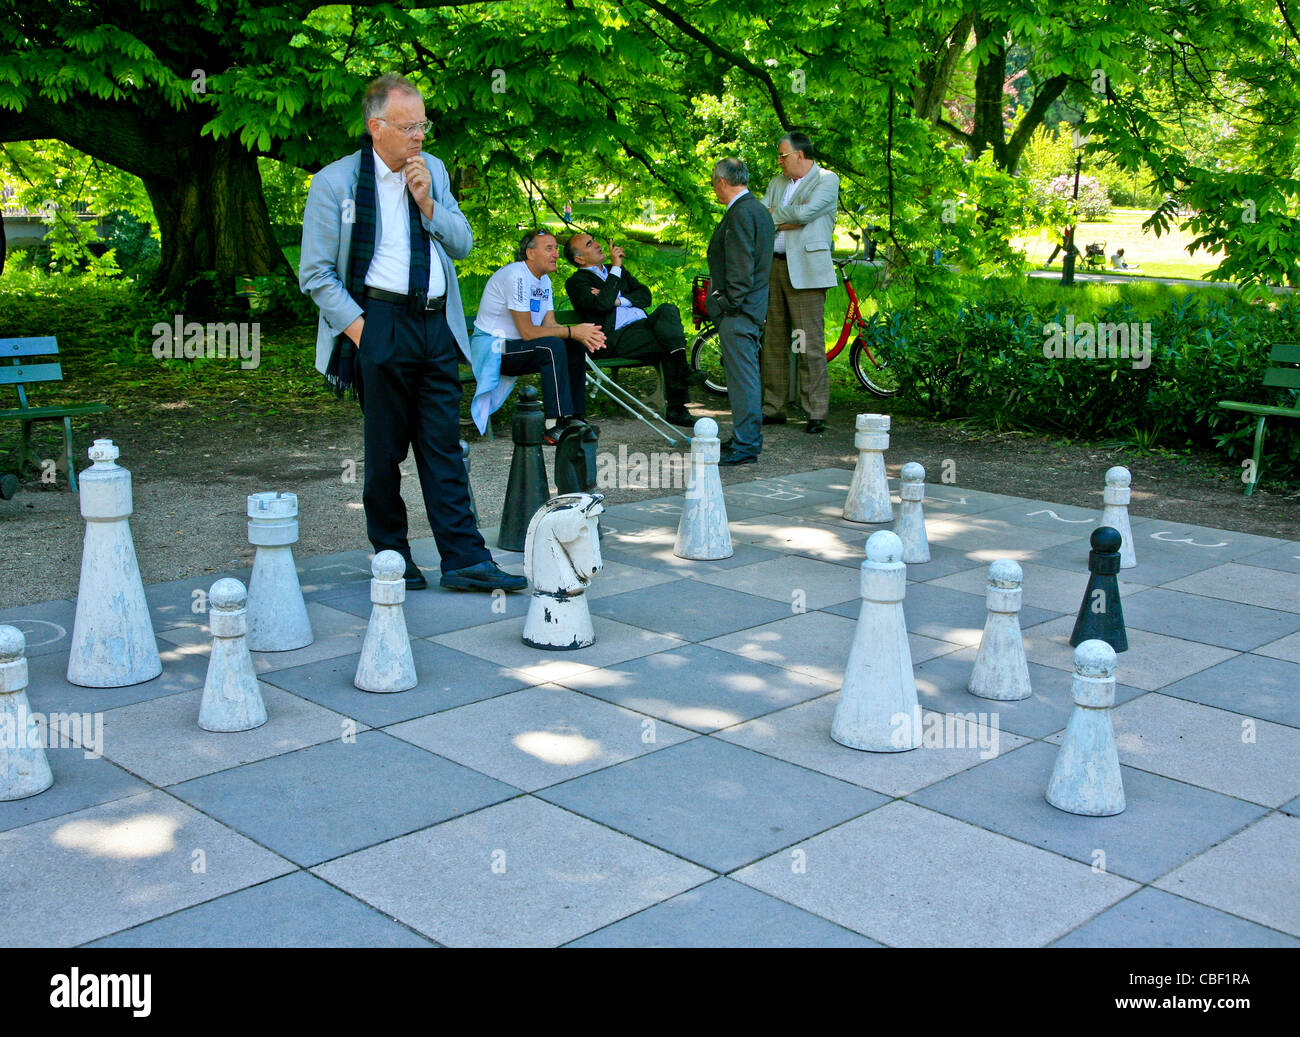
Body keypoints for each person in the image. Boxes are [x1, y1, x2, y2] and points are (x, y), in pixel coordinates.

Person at [299, 73, 525, 593]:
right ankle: (393, 557)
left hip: (436, 324)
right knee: (384, 453)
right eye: (409, 127)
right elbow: (316, 274)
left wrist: (429, 204)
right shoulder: (334, 184)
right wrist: (362, 332)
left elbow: (463, 243)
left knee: (444, 446)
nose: (420, 136)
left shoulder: (434, 172)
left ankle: (465, 559)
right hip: (378, 324)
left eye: (423, 124)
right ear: (376, 127)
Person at [469, 229, 605, 443]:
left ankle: (574, 418)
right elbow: (528, 331)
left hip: (520, 345)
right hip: (494, 348)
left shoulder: (545, 282)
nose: (556, 254)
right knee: (552, 346)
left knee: (572, 346)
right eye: (549, 249)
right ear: (530, 254)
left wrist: (580, 335)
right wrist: (573, 330)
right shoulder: (516, 275)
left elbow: (549, 325)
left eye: (556, 249)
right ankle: (554, 425)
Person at [562, 232, 704, 428]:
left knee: (667, 310)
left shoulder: (615, 271)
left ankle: (680, 378)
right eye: (589, 244)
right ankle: (678, 402)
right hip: (616, 337)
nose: (597, 244)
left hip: (643, 328)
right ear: (579, 258)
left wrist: (617, 300)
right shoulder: (577, 283)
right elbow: (602, 305)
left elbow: (645, 296)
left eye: (594, 240)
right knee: (667, 343)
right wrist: (616, 271)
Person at [760, 132, 840, 435]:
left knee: (809, 343)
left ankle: (815, 411)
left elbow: (806, 213)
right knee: (774, 341)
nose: (779, 161)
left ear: (801, 155)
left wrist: (777, 216)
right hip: (773, 267)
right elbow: (761, 216)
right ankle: (773, 408)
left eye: (783, 156)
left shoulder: (826, 180)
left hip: (806, 271)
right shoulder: (777, 182)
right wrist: (787, 218)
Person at [706, 157, 775, 465]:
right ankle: (745, 438)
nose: (714, 188)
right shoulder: (758, 210)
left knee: (742, 379)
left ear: (722, 182)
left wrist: (723, 305)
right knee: (745, 376)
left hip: (739, 312)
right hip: (751, 308)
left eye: (713, 182)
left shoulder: (740, 214)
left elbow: (740, 268)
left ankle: (746, 444)